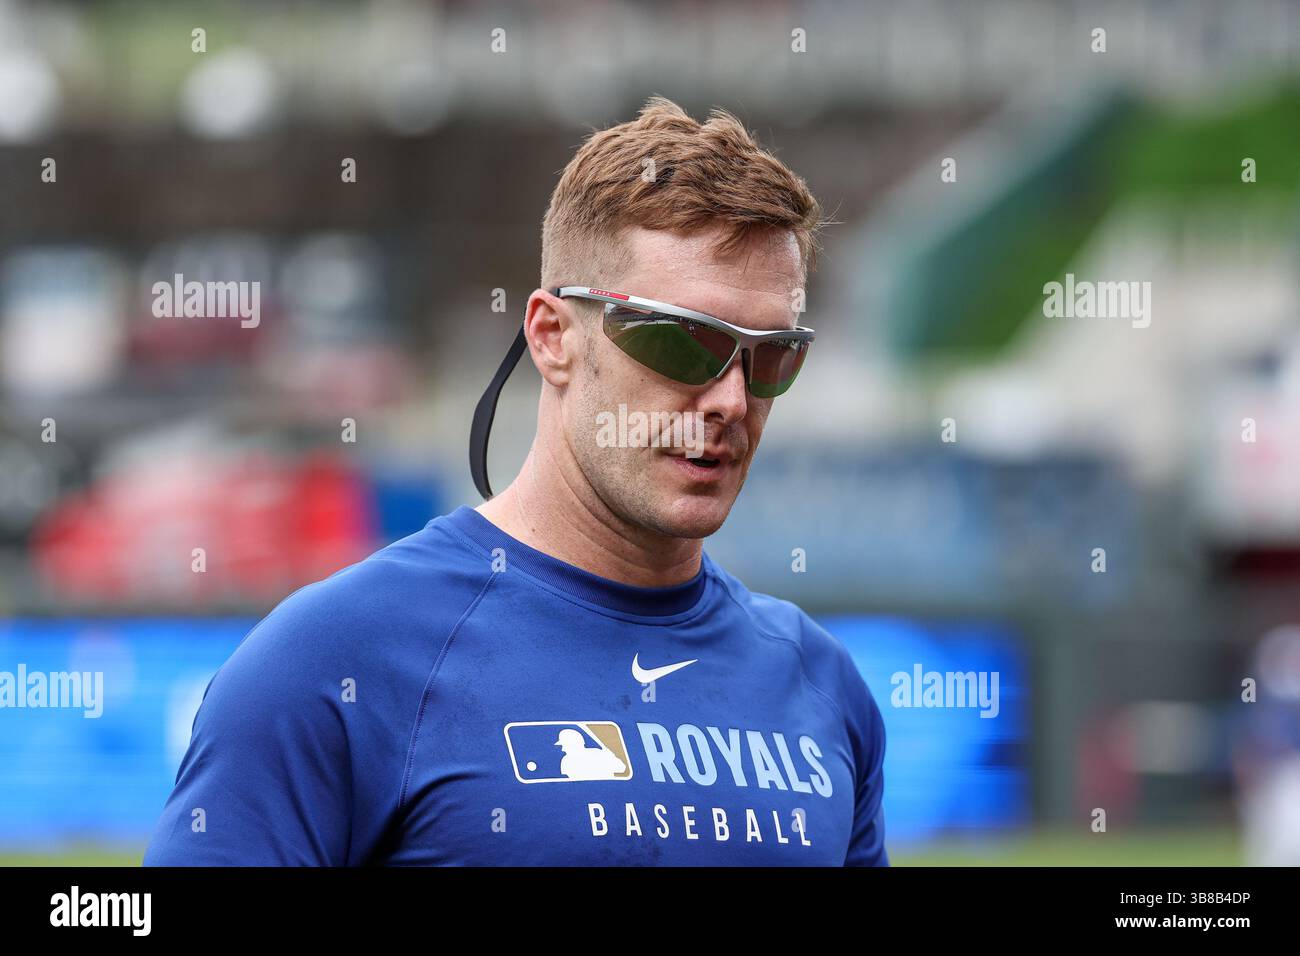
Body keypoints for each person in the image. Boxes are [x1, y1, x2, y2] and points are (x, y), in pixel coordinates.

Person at [144, 95, 888, 865]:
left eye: (772, 357)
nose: (731, 400)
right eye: (685, 343)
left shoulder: (820, 685)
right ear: (552, 337)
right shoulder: (337, 659)